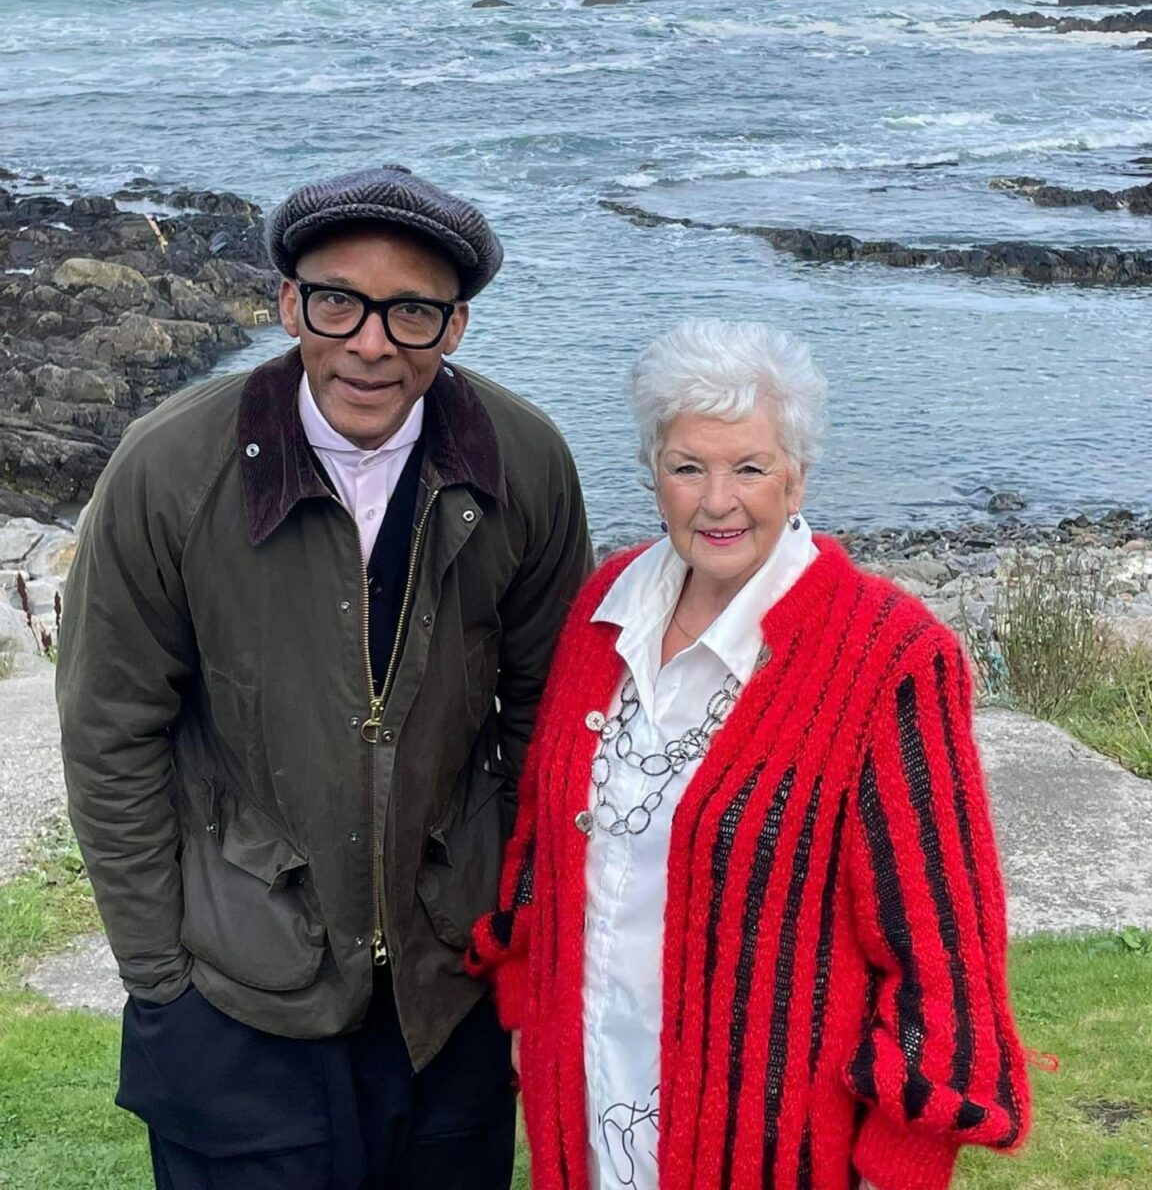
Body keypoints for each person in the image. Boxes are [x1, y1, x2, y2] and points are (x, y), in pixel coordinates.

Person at [56, 165, 592, 1190]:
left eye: (413, 312)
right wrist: (161, 978)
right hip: (235, 994)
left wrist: (507, 906)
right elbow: (108, 733)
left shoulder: (524, 463)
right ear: (288, 302)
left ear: (457, 326)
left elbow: (550, 712)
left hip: (452, 990)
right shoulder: (167, 470)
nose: (372, 341)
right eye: (339, 300)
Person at [469, 318, 1030, 1190]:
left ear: (798, 474)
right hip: (588, 1104)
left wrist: (902, 1156)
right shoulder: (600, 613)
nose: (717, 500)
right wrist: (519, 1000)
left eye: (750, 467)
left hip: (772, 1146)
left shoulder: (890, 657)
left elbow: (943, 948)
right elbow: (544, 837)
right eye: (688, 467)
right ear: (654, 474)